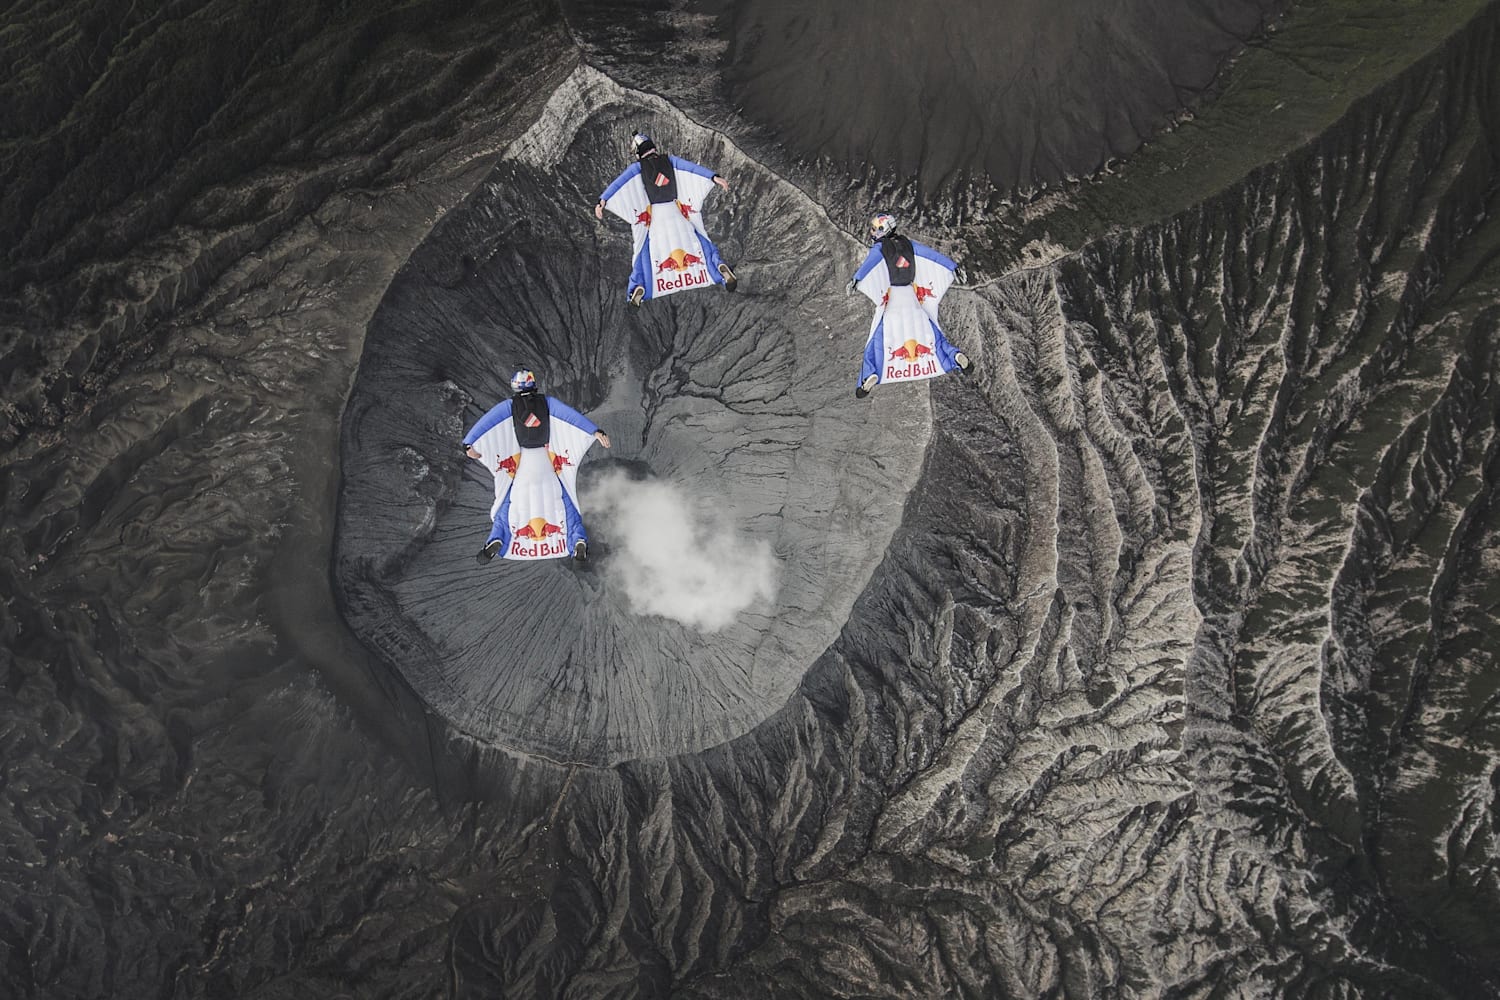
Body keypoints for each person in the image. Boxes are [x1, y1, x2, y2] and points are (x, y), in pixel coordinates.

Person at [463, 370, 611, 563]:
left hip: (522, 468)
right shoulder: (547, 403)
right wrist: (595, 431)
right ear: (534, 384)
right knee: (568, 511)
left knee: (506, 511)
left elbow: (487, 422)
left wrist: (468, 444)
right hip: (547, 466)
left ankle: (497, 539)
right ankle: (576, 540)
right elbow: (569, 416)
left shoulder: (509, 407)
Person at [594, 131, 737, 305]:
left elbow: (618, 184)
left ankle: (639, 286)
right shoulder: (670, 161)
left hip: (654, 219)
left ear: (639, 154)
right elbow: (690, 169)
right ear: (653, 148)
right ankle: (718, 269)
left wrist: (602, 201)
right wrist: (713, 177)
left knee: (643, 254)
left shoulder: (637, 169)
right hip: (677, 213)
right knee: (702, 244)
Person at [845, 212, 974, 399]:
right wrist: (953, 267)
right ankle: (954, 357)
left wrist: (856, 280)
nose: (873, 231)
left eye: (876, 228)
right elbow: (932, 256)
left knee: (875, 343)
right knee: (934, 339)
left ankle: (868, 376)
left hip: (892, 304)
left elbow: (869, 265)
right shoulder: (908, 245)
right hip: (913, 301)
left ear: (885, 229)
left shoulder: (880, 248)